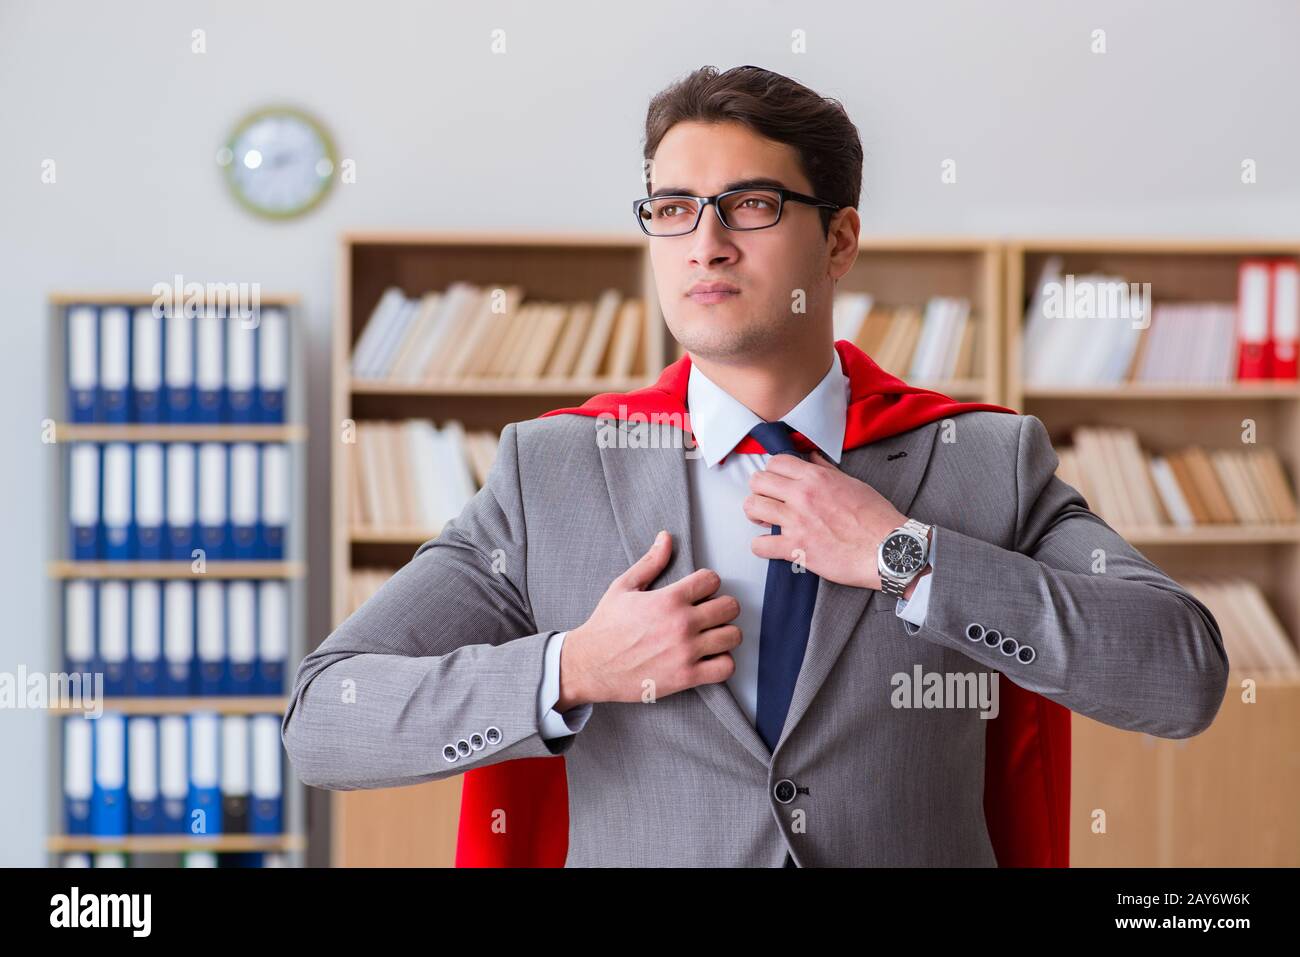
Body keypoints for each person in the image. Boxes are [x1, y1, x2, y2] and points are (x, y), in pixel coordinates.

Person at [282, 64, 1228, 867]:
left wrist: (908, 557)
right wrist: (573, 666)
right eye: (673, 207)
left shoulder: (982, 460)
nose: (707, 241)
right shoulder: (553, 471)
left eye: (751, 204)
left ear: (841, 240)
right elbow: (325, 717)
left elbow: (1181, 675)